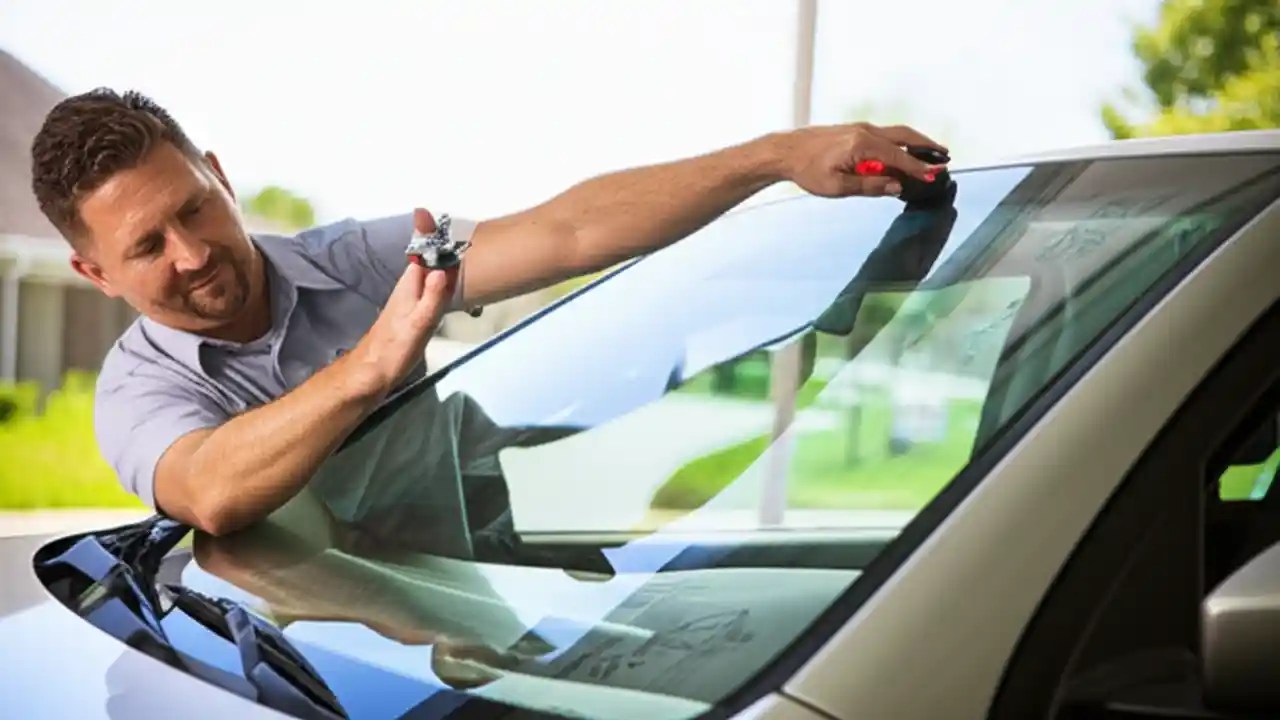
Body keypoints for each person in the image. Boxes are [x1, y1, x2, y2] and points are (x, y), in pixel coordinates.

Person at [29, 87, 947, 536]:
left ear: (220, 179)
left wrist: (777, 157)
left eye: (194, 208)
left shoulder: (358, 257)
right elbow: (210, 492)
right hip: (320, 643)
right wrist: (372, 366)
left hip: (494, 538)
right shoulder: (135, 392)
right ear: (95, 272)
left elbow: (568, 229)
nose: (192, 253)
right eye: (147, 246)